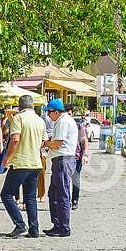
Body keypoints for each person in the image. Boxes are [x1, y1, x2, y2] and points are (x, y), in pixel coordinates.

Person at [0, 94, 47, 237]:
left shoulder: (18, 119)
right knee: (30, 197)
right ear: (32, 106)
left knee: (6, 194)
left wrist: (6, 158)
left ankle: (20, 224)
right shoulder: (40, 121)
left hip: (21, 162)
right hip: (35, 163)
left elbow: (14, 139)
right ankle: (34, 229)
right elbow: (43, 142)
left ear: (19, 107)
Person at [44, 98, 79, 237]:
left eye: (49, 112)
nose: (48, 115)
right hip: (61, 160)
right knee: (54, 193)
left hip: (63, 160)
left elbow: (57, 144)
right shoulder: (63, 120)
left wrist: (45, 143)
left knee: (62, 194)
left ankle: (64, 227)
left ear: (56, 112)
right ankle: (57, 224)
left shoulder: (63, 121)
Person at [70, 113, 91, 210]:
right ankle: (65, 201)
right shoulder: (60, 124)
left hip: (76, 157)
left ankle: (75, 200)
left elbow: (84, 141)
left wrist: (85, 154)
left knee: (75, 179)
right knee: (63, 181)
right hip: (64, 156)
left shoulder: (79, 126)